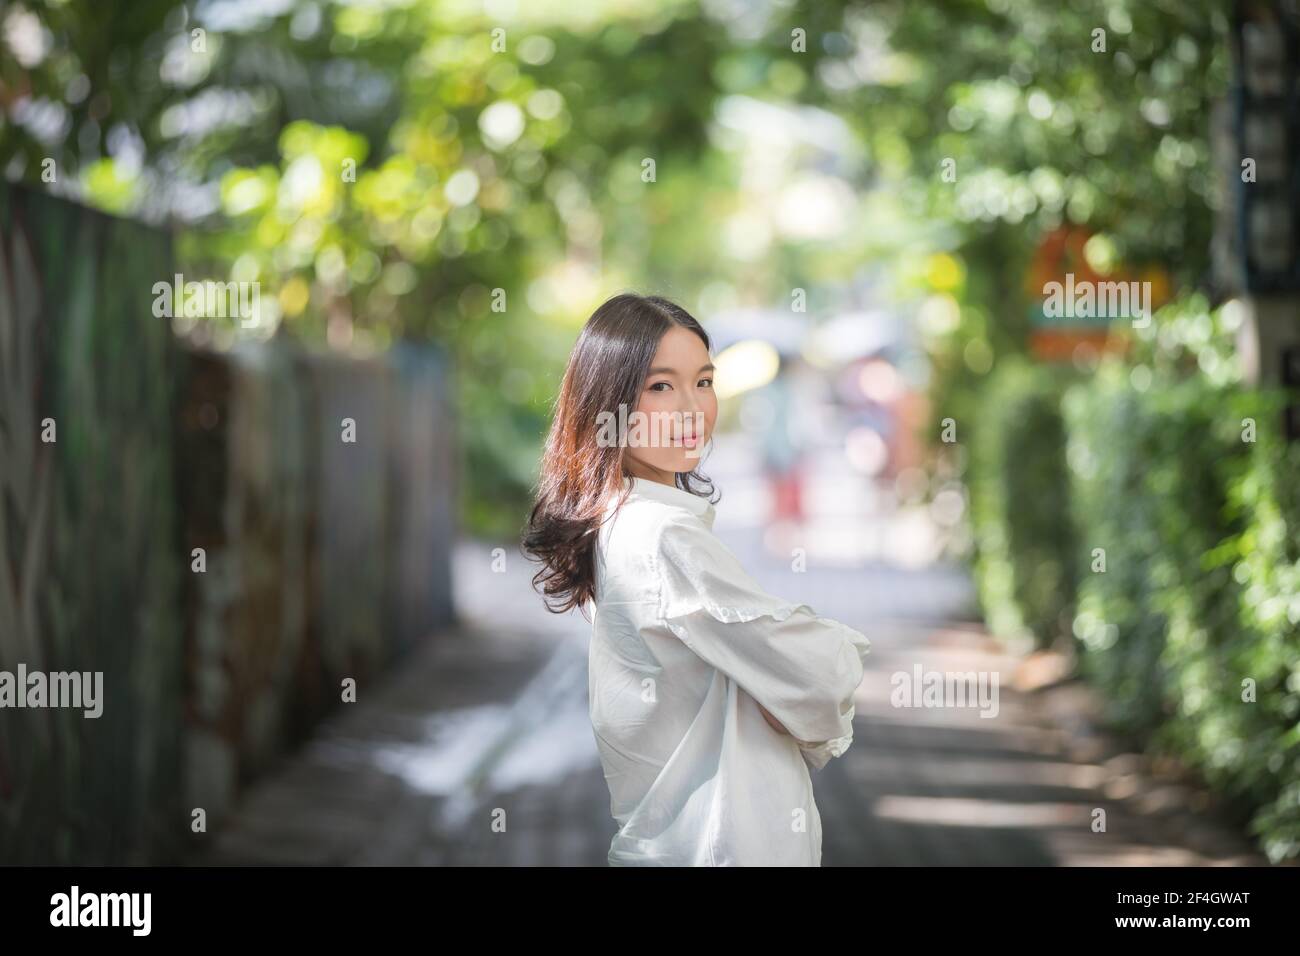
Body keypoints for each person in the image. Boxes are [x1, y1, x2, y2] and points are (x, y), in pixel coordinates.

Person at [522, 292, 871, 866]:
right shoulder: (665, 538)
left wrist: (761, 677)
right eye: (661, 386)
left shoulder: (615, 519)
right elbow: (820, 678)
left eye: (704, 382)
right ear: (607, 403)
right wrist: (771, 678)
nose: (692, 407)